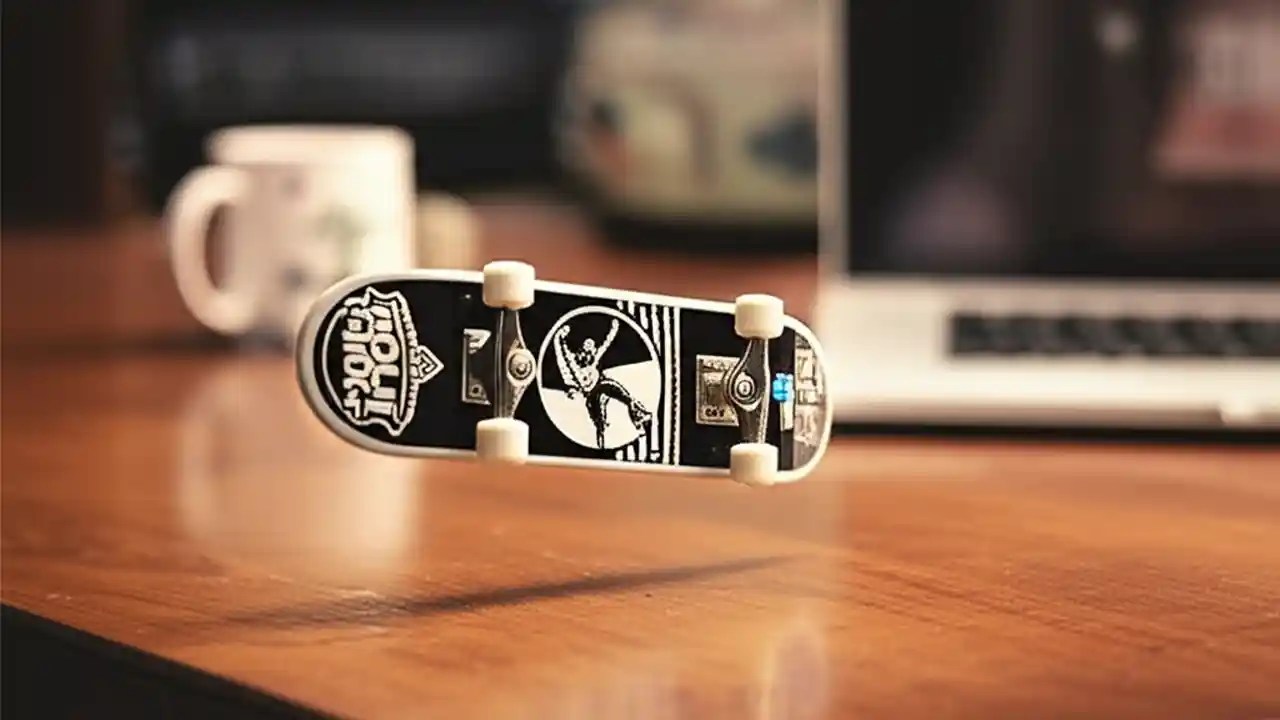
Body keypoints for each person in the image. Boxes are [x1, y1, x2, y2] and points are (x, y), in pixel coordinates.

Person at [554, 320, 652, 448]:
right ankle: (601, 444)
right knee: (599, 423)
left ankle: (640, 416)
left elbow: (605, 345)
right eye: (585, 349)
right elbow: (564, 354)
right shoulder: (574, 367)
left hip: (602, 385)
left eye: (590, 349)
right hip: (591, 395)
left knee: (625, 396)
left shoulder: (592, 362)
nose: (587, 353)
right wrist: (560, 337)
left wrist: (613, 329)